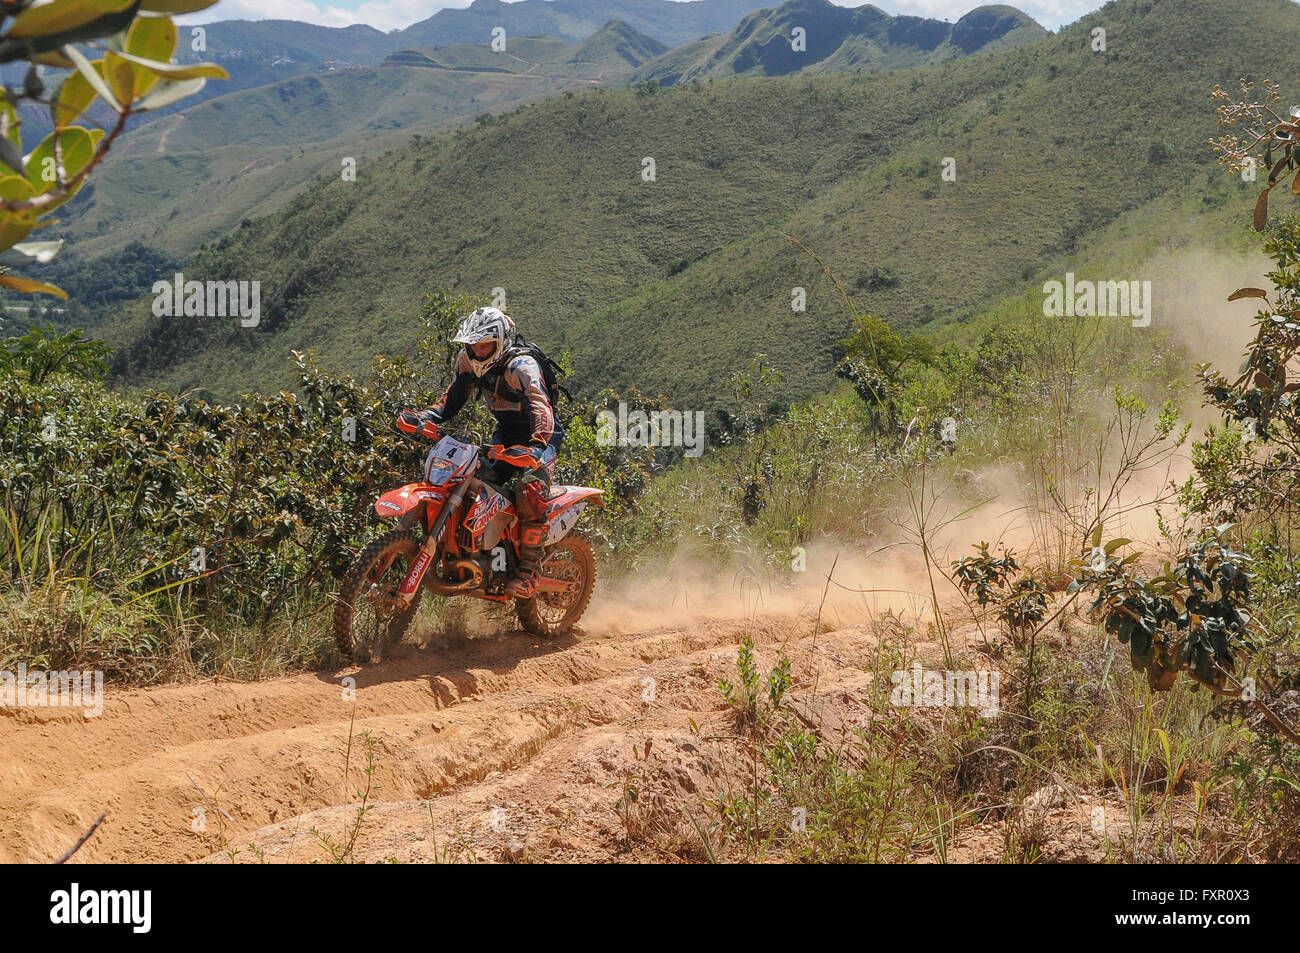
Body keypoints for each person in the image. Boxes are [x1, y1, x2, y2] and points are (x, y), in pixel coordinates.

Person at [421, 307, 563, 598]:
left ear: (499, 343)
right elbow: (451, 400)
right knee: (472, 480)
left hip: (541, 437)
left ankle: (529, 571)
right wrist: (427, 417)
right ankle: (478, 554)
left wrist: (536, 447)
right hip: (505, 437)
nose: (477, 351)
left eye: (484, 345)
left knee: (529, 489)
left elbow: (540, 407)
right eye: (472, 345)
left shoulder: (521, 367)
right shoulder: (467, 362)